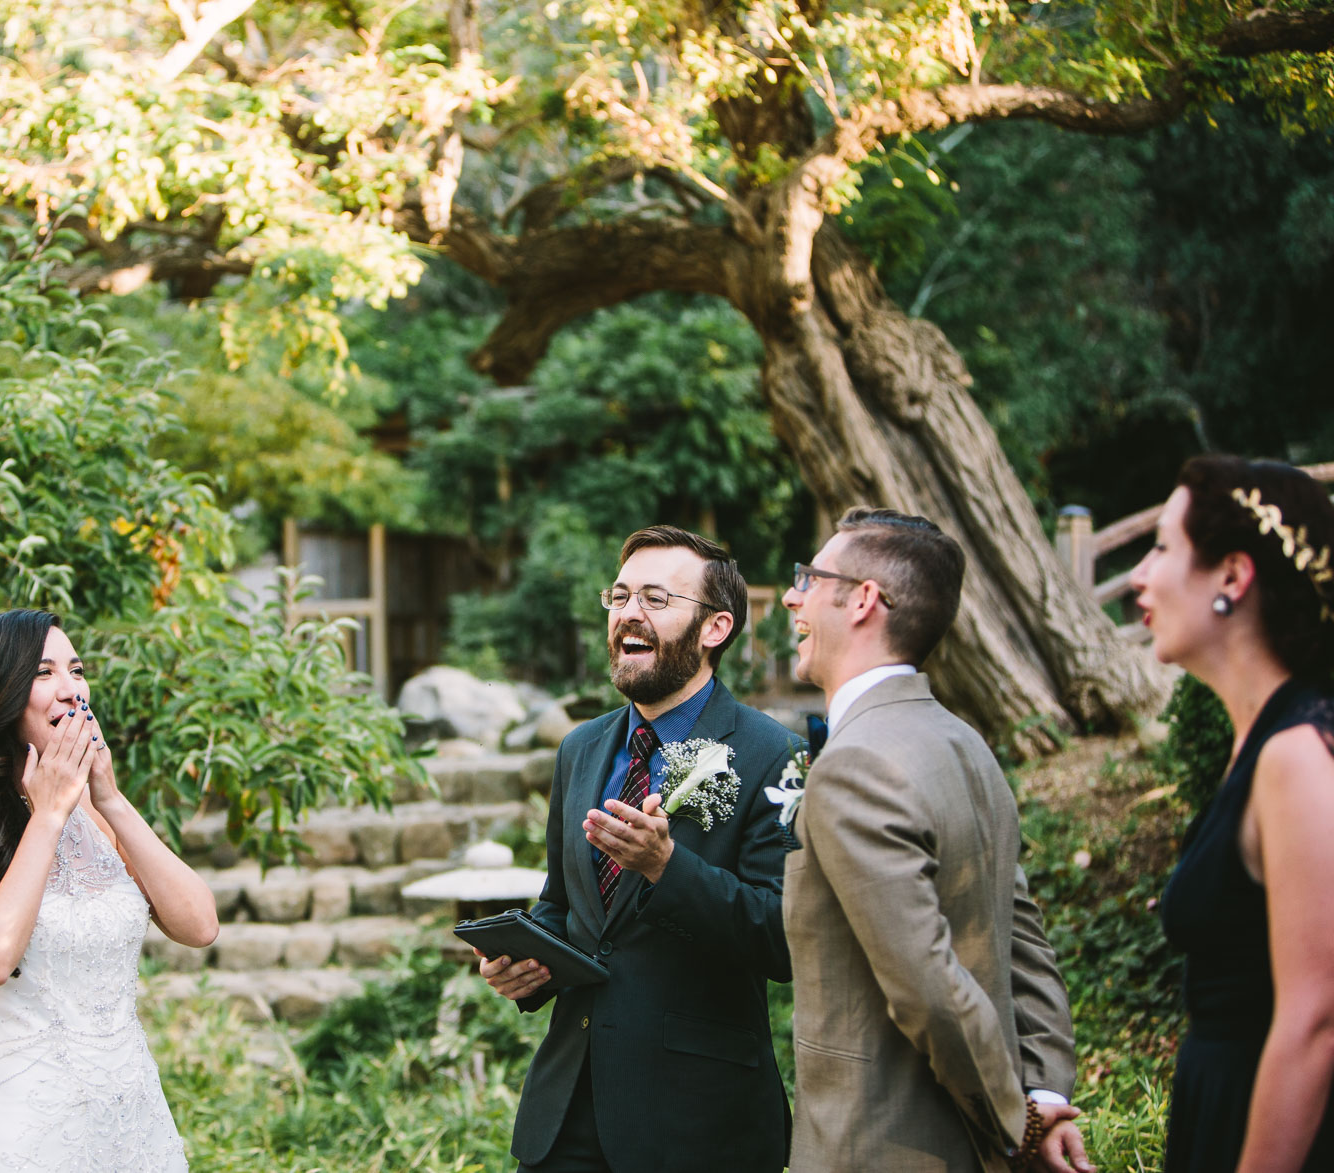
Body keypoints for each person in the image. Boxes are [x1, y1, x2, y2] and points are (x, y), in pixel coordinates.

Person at [778, 507, 1088, 1173]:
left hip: (879, 1145)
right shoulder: (965, 742)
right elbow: (1023, 940)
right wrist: (1044, 1083)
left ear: (863, 600)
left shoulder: (857, 762)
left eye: (810, 577)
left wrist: (1020, 1118)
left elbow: (925, 983)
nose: (790, 594)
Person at [477, 526, 793, 1173]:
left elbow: (784, 938)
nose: (628, 613)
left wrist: (667, 867)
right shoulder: (581, 747)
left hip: (698, 1123)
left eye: (655, 598)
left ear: (715, 628)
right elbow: (564, 904)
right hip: (566, 1112)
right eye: (618, 596)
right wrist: (526, 960)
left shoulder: (772, 753)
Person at [0, 609, 218, 1173]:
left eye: (76, 670)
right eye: (44, 673)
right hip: (29, 1131)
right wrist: (48, 815)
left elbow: (200, 926)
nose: (71, 689)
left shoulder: (98, 813)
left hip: (137, 1125)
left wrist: (111, 800)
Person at [1132, 456, 1334, 1173]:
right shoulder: (1259, 742)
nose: (1139, 576)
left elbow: (1315, 1017)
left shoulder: (1296, 755)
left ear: (1232, 576)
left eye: (1161, 546)